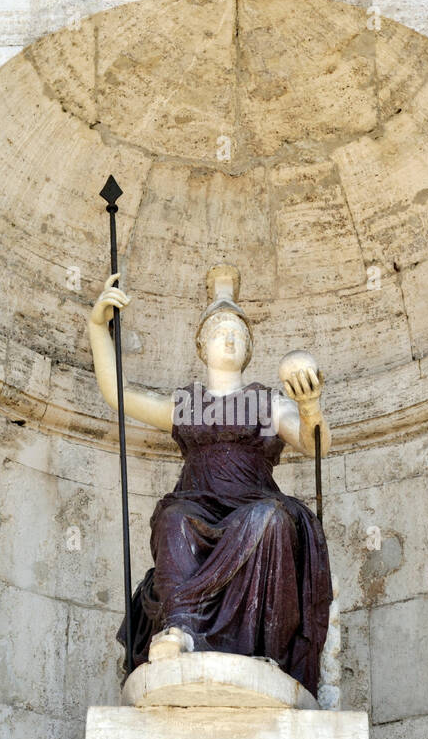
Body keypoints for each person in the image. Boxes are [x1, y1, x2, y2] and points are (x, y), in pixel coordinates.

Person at [87, 264, 333, 697]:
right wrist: (96, 328)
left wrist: (310, 406)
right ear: (202, 345)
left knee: (270, 521)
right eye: (220, 330)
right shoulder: (186, 405)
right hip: (197, 504)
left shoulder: (267, 402)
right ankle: (181, 629)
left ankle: (265, 647)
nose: (230, 338)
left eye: (238, 332)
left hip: (253, 503)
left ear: (249, 348)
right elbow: (117, 395)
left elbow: (314, 445)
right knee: (173, 519)